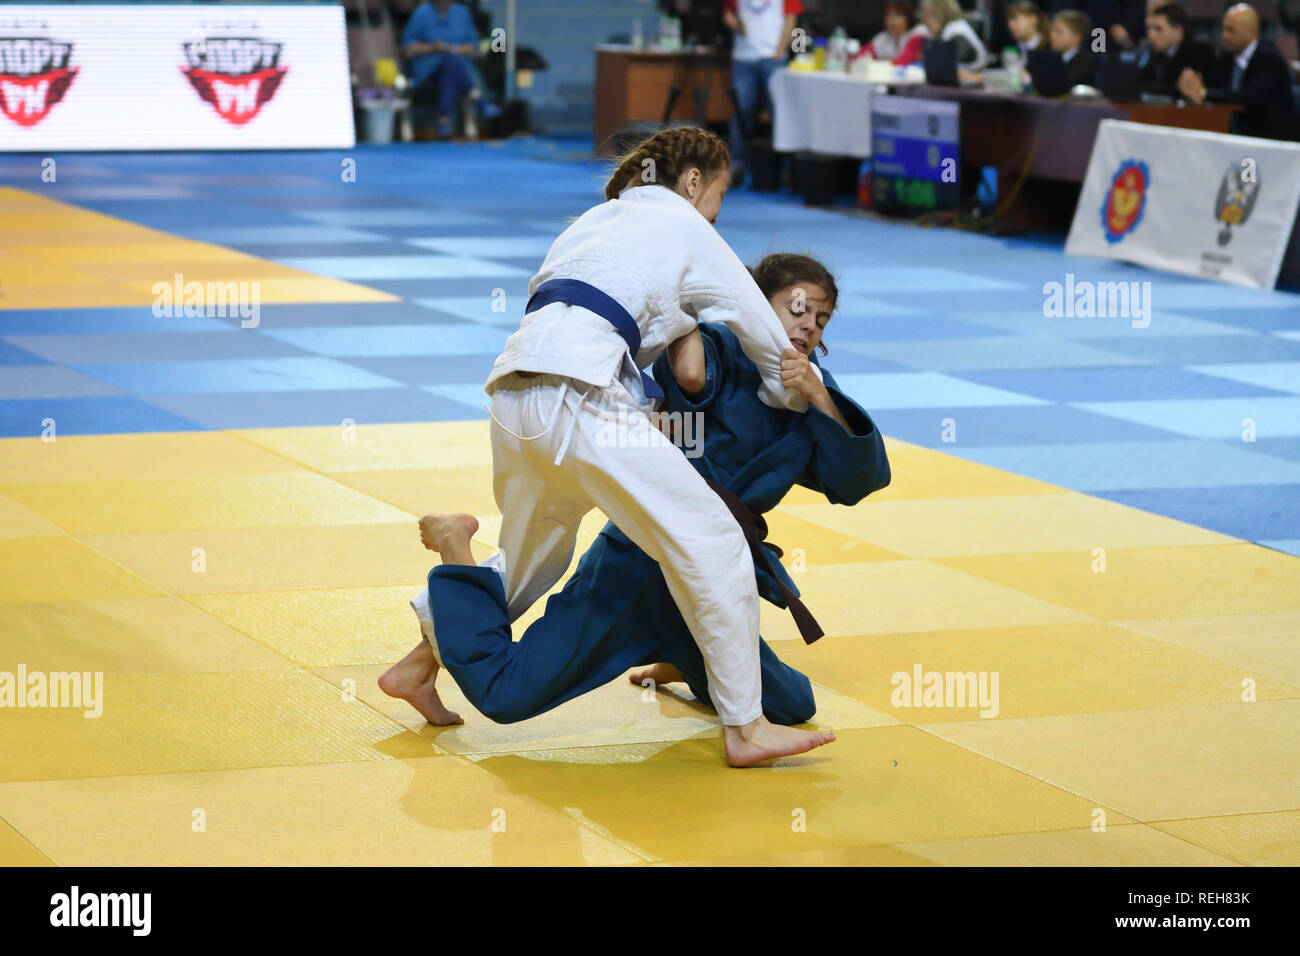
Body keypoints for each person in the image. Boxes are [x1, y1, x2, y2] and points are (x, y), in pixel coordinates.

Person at [381, 126, 834, 767]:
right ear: (695, 181)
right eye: (721, 195)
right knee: (714, 542)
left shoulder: (594, 222)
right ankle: (747, 727)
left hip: (513, 394)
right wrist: (799, 393)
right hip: (583, 398)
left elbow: (620, 317)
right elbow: (762, 329)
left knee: (528, 565)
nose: (718, 212)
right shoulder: (686, 226)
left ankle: (417, 666)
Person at [387, 254, 890, 737]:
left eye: (821, 320)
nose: (809, 326)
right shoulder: (720, 346)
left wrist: (820, 397)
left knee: (793, 705)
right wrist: (700, 300)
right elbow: (691, 376)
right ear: (756, 306)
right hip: (638, 564)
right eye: (796, 309)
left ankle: (682, 653)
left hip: (709, 582)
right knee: (506, 695)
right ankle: (456, 549)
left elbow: (855, 482)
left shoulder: (813, 393)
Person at [1177, 3, 1300, 141]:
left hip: (1272, 140)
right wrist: (1195, 87)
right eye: (1223, 29)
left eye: (1231, 30)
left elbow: (1250, 98)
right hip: (1234, 135)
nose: (1224, 35)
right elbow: (1210, 88)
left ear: (1251, 31)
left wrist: (1205, 93)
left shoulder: (1269, 58)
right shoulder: (1226, 58)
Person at [723, 0, 802, 188]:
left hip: (773, 57)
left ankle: (785, 169)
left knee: (780, 114)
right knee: (741, 110)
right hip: (744, 57)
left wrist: (779, 52)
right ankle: (738, 164)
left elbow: (791, 20)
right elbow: (728, 13)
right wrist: (734, 23)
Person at [402, 0, 494, 139]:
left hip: (456, 66)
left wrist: (452, 49)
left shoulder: (462, 13)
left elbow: (473, 45)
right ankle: (477, 97)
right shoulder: (421, 13)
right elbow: (408, 46)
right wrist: (433, 47)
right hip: (428, 68)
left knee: (449, 69)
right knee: (449, 61)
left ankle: (443, 120)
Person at [1139, 3, 1215, 97]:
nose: (1151, 35)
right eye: (1149, 29)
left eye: (1158, 29)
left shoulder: (1200, 52)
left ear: (1178, 31)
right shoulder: (1155, 53)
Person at [919, 0, 991, 68]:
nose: (926, 22)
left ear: (940, 14)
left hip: (977, 76)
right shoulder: (947, 29)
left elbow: (953, 66)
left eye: (928, 16)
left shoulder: (956, 32)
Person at [1050, 9, 1097, 87]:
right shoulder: (1050, 58)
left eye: (1058, 31)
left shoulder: (1086, 63)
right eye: (1052, 30)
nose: (1052, 36)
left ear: (1076, 37)